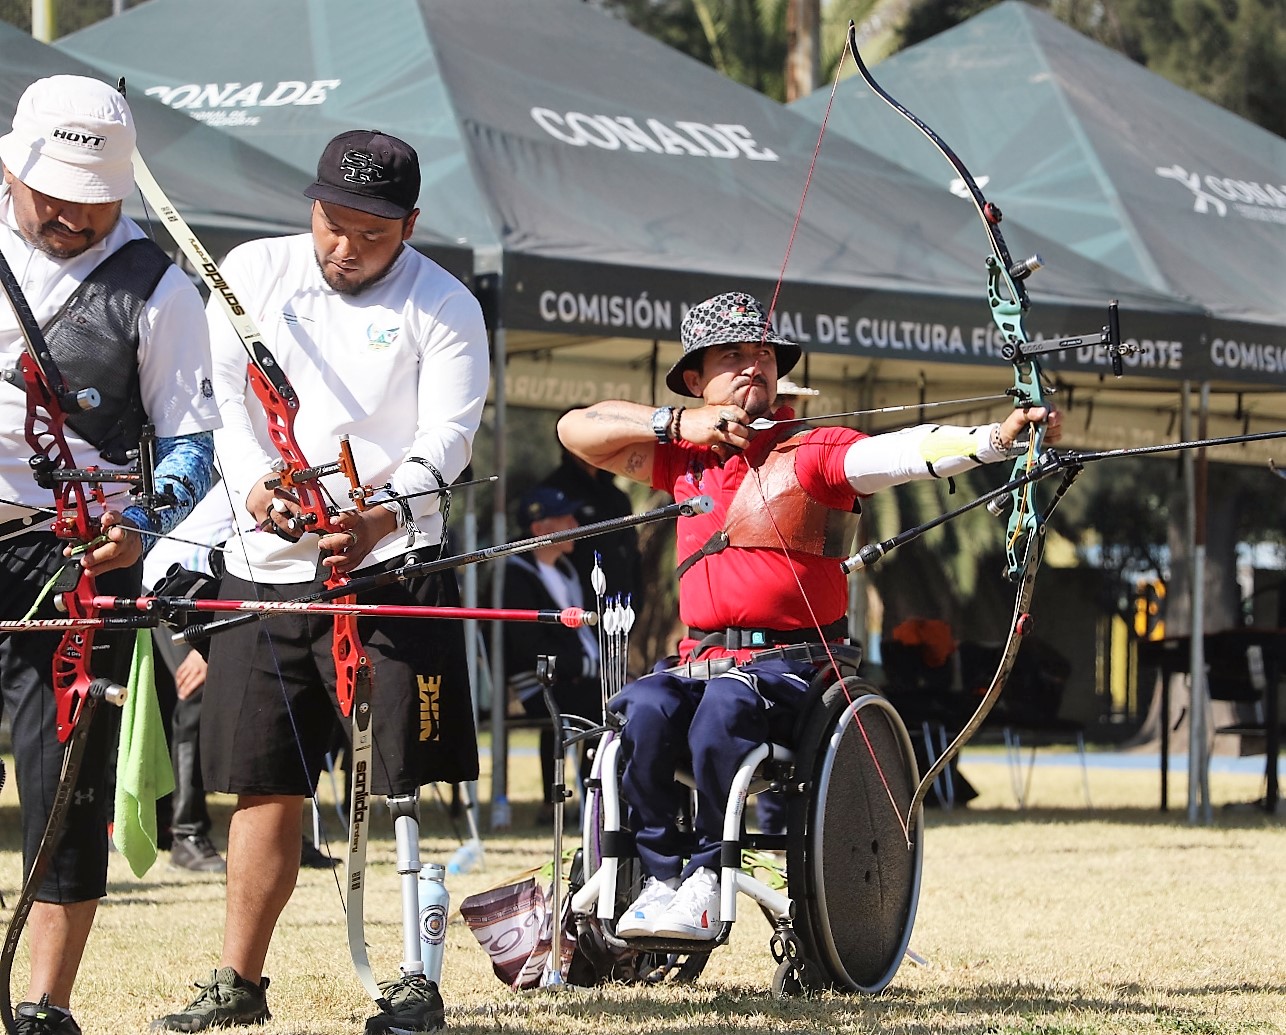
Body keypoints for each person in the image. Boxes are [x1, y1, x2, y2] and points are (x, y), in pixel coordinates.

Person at [557, 290, 1061, 941]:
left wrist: (992, 439)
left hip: (789, 672)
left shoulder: (816, 448)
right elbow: (576, 428)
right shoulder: (683, 461)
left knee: (721, 713)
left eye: (763, 353)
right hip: (700, 662)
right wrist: (678, 424)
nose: (753, 365)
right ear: (694, 378)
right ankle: (660, 878)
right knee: (645, 708)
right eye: (733, 354)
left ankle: (709, 875)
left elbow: (899, 454)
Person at [151, 130, 488, 1035]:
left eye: (371, 234)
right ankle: (239, 980)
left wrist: (378, 517)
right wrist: (259, 483)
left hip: (389, 570)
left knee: (402, 780)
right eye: (331, 222)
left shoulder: (446, 302)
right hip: (267, 572)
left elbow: (447, 439)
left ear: (411, 225)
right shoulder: (251, 274)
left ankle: (415, 982)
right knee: (263, 783)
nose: (344, 247)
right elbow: (221, 401)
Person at [0, 75, 218, 1034]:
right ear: (11, 168)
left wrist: (146, 519)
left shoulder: (159, 287)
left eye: (94, 200)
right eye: (51, 194)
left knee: (64, 784)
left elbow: (193, 439)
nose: (70, 216)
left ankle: (46, 1003)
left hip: (81, 551)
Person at [141, 489, 236, 874]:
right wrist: (209, 646)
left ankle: (285, 830)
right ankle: (186, 833)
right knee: (196, 694)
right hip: (175, 581)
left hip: (221, 586)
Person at [501, 485, 601, 823]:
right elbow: (529, 645)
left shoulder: (567, 571)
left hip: (576, 675)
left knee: (615, 696)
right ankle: (595, 804)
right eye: (564, 518)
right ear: (539, 529)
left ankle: (599, 800)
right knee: (604, 708)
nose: (575, 523)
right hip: (540, 681)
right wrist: (583, 665)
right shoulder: (516, 575)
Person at [540, 437, 642, 610]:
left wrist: (637, 594)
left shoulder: (616, 496)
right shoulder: (556, 492)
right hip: (578, 603)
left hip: (623, 603)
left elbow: (631, 547)